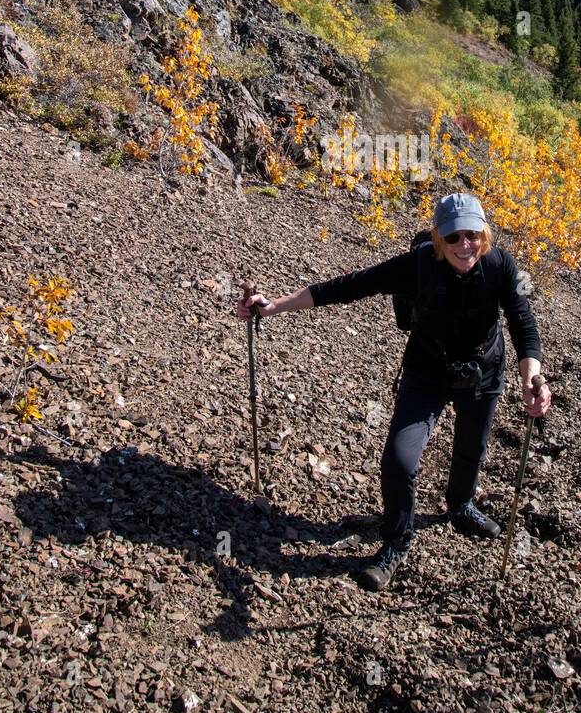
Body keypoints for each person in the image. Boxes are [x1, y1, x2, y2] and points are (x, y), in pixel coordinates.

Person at [236, 191, 551, 591]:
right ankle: (396, 541)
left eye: (472, 234)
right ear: (438, 238)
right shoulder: (417, 265)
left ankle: (460, 506)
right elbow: (345, 287)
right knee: (399, 462)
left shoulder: (501, 265)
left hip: (483, 372)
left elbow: (524, 324)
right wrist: (273, 306)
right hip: (427, 370)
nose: (464, 245)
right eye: (453, 237)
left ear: (484, 233)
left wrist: (532, 377)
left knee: (472, 450)